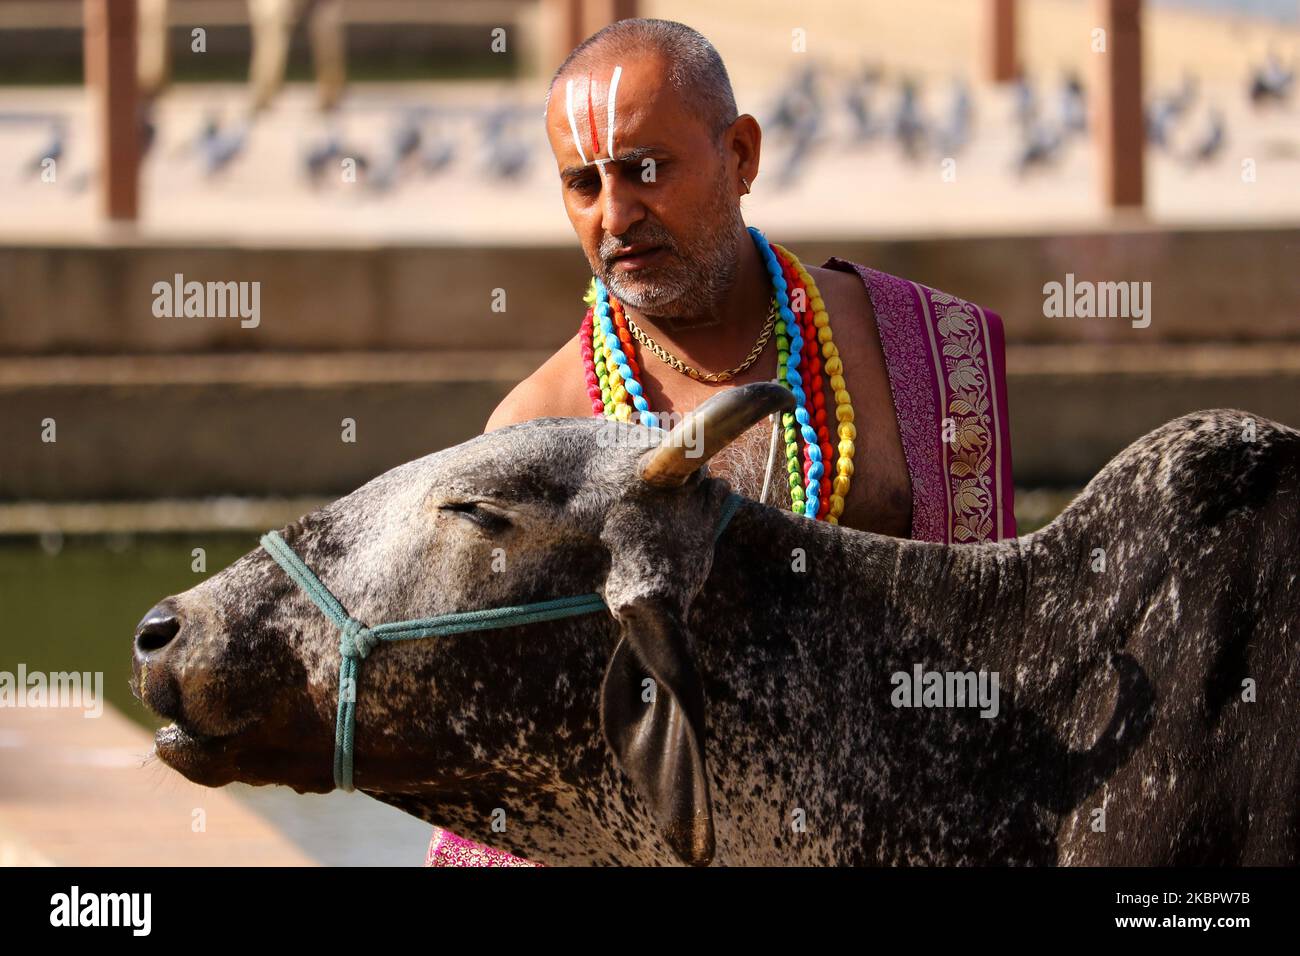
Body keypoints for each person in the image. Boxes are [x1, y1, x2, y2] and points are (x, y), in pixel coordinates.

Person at [425, 18, 1016, 867]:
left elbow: (995, 655)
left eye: (645, 170)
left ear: (741, 155)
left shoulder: (931, 351)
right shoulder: (531, 437)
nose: (616, 215)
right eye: (583, 184)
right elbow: (519, 778)